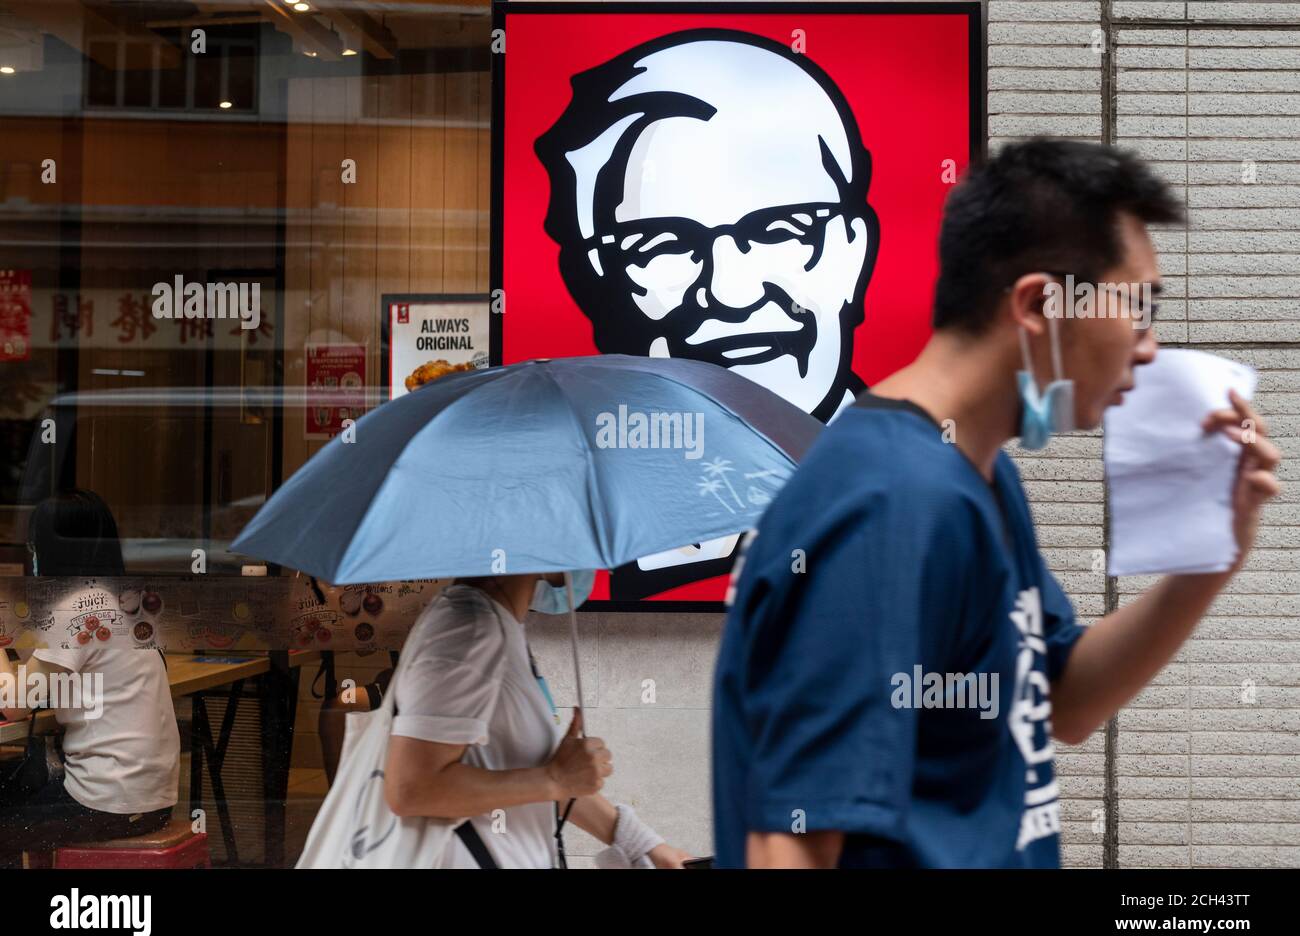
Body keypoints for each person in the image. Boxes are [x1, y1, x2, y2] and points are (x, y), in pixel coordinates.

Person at [711, 138, 1283, 868]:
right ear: (1040, 305)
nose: (1149, 346)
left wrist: (1212, 555)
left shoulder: (973, 471)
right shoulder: (892, 499)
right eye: (1137, 307)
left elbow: (1064, 700)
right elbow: (786, 843)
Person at [537, 29, 880, 598]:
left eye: (780, 230)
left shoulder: (919, 493)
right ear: (603, 278)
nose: (731, 291)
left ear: (853, 251)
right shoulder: (585, 511)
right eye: (663, 244)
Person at [383, 571, 692, 868]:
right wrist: (554, 779)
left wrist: (641, 844)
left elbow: (529, 772)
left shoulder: (495, 625)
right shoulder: (471, 629)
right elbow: (412, 789)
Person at [0, 490, 180, 864]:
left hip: (105, 803)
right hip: (152, 801)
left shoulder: (78, 610)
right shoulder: (126, 602)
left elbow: (15, 706)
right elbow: (47, 668)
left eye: (34, 545)